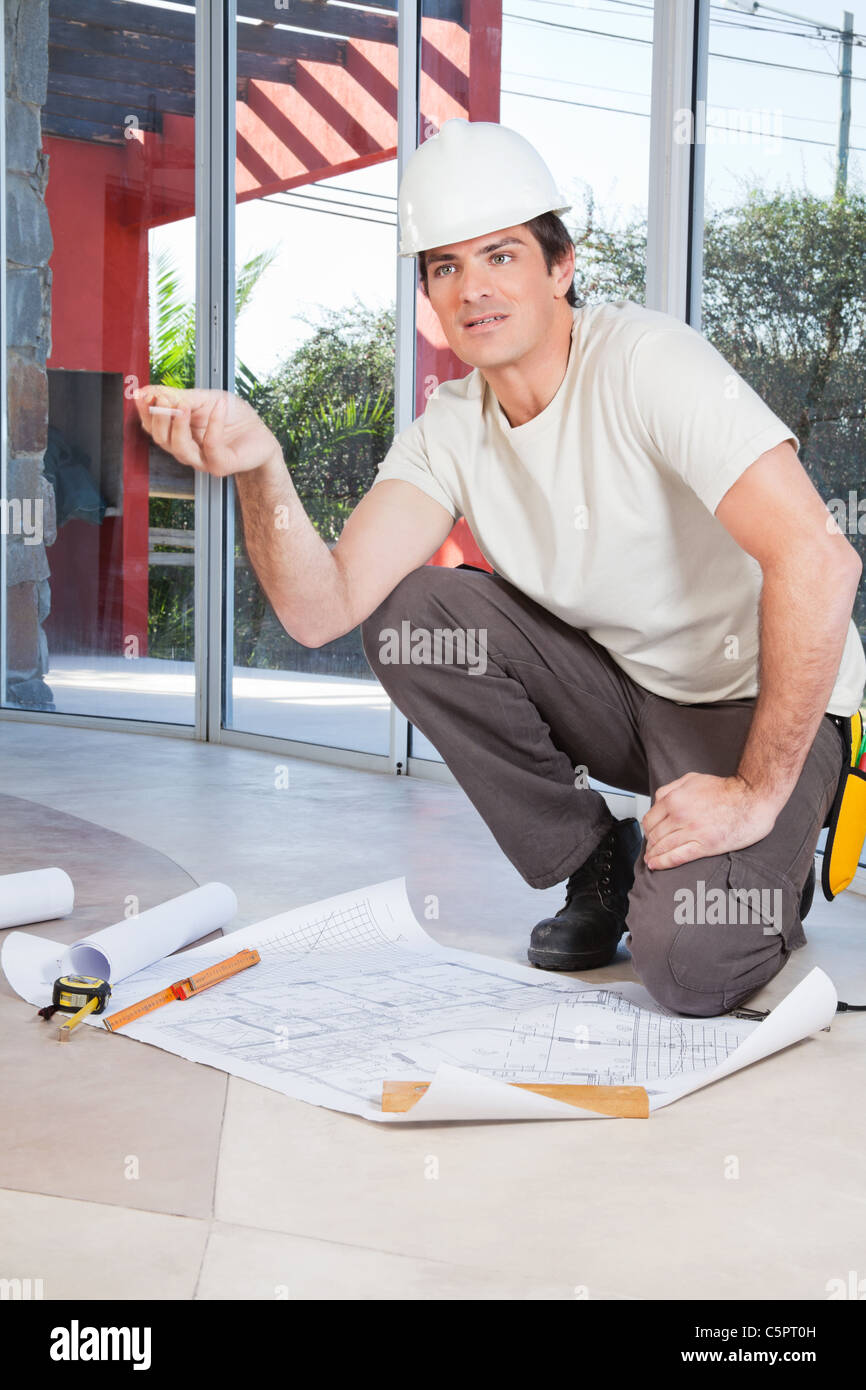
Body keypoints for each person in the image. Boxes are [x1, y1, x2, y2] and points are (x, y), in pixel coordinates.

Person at [133, 118, 865, 1018]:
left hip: (762, 702)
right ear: (429, 297)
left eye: (501, 255)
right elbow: (323, 609)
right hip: (628, 694)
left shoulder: (648, 363)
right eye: (445, 266)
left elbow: (819, 559)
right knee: (412, 616)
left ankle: (778, 853)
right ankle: (597, 860)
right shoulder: (451, 426)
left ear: (561, 266)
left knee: (688, 964)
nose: (473, 287)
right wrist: (260, 466)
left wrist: (754, 796)